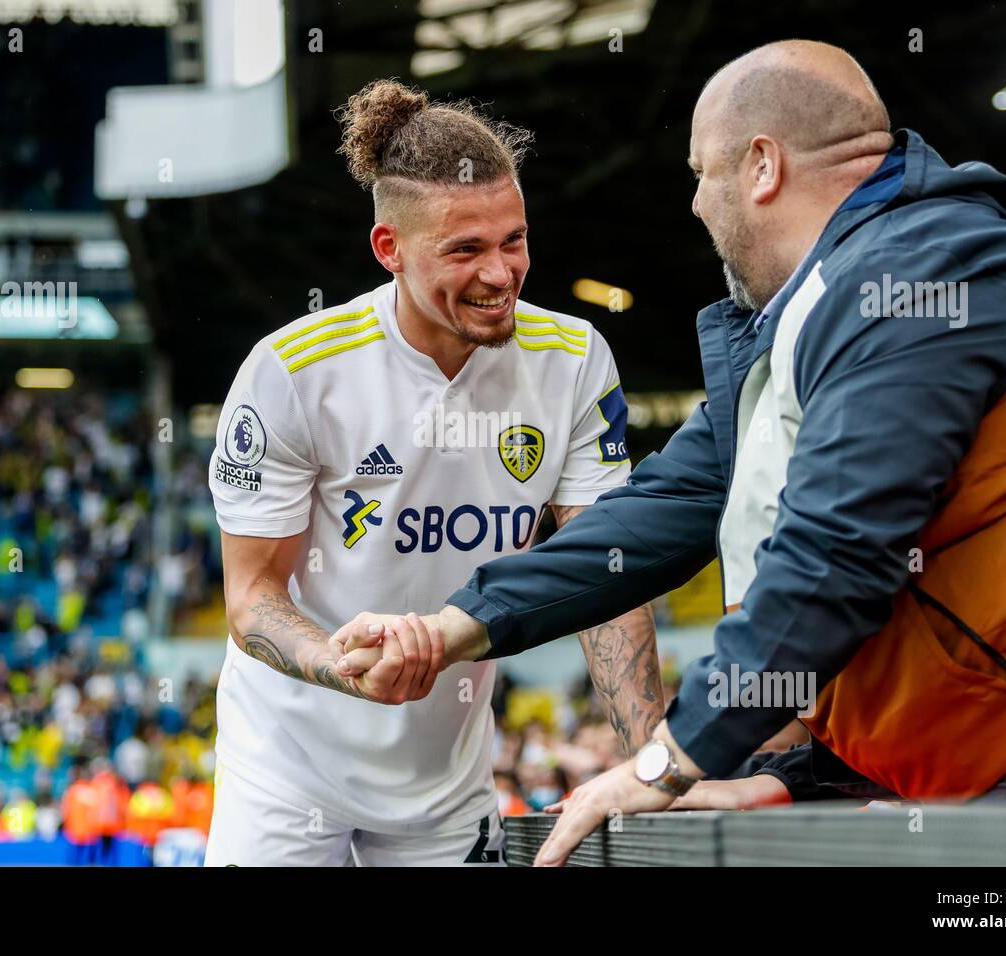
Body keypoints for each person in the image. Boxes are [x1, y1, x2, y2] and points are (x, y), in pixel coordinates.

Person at [335, 40, 1006, 863]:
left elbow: (836, 558)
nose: (698, 206)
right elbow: (655, 515)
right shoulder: (820, 312)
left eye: (700, 173)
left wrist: (673, 757)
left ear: (761, 167)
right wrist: (447, 627)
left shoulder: (920, 276)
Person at [204, 78, 662, 866]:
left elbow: (607, 572)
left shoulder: (575, 360)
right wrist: (348, 669)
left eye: (512, 240)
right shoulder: (292, 371)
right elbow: (252, 601)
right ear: (390, 249)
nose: (500, 274)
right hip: (286, 770)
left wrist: (653, 760)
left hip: (445, 783)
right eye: (465, 249)